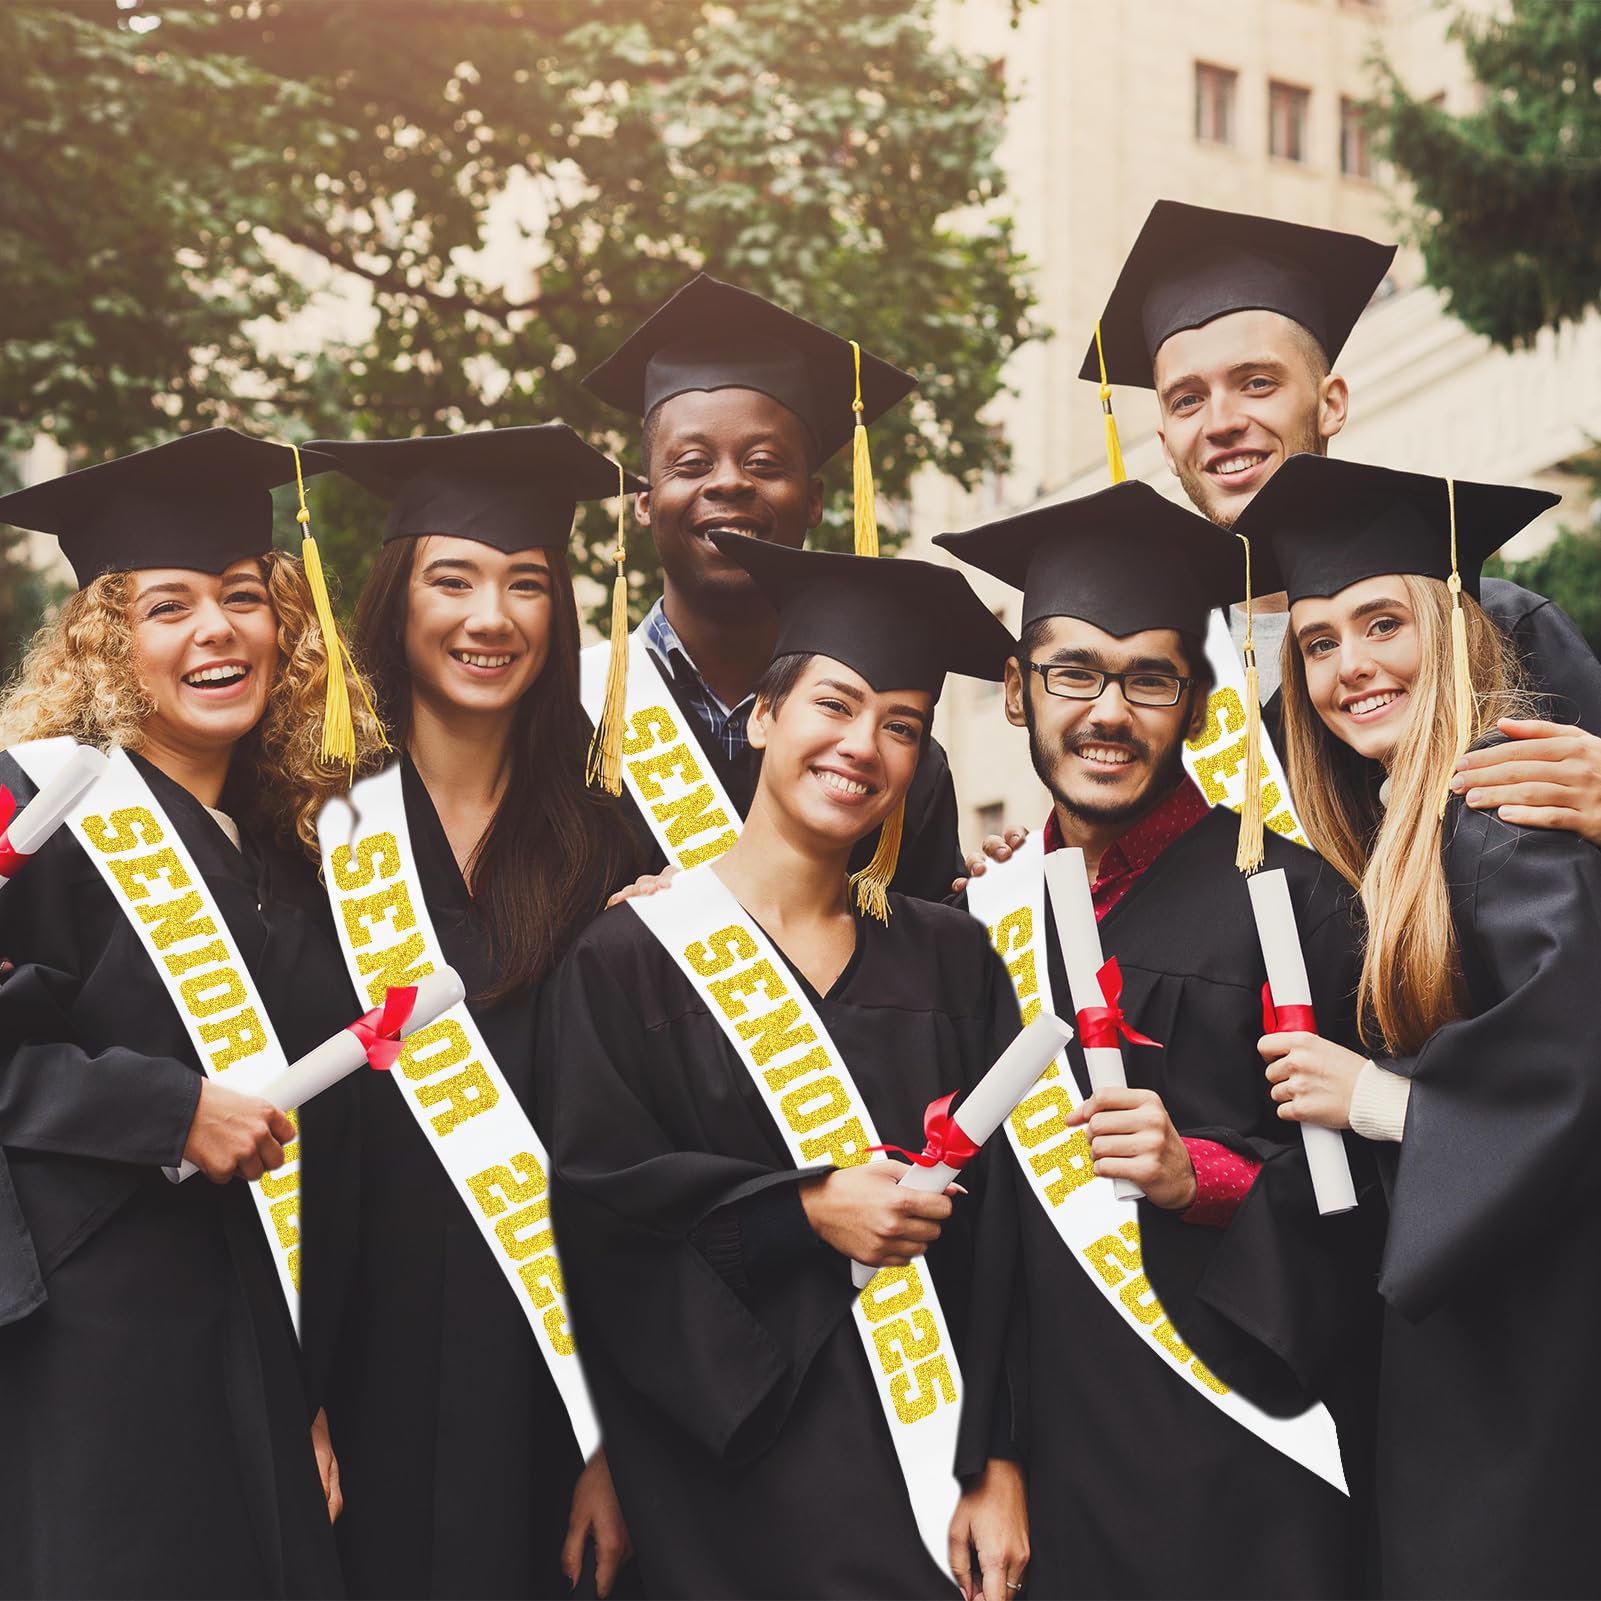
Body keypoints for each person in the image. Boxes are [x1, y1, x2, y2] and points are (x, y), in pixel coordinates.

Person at [537, 537, 1028, 1600]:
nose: (864, 745)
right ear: (762, 716)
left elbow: (1004, 1234)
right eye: (835, 704)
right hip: (723, 1483)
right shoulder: (627, 960)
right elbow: (597, 1214)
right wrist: (797, 1211)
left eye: (901, 725)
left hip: (929, 1483)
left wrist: (996, 1460)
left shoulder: (950, 955)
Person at [936, 481, 1371, 1598]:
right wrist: (986, 1447)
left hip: (1241, 1461)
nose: (1106, 711)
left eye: (1148, 676)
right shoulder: (974, 926)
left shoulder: (1296, 898)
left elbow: (1379, 1193)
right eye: (1072, 670)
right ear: (1013, 690)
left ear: (1200, 704)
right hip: (1041, 1478)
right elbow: (968, 1232)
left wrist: (1203, 1177)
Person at [0, 428, 386, 1598]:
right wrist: (165, 1107)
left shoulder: (299, 840)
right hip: (94, 1358)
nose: (216, 629)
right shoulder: (37, 803)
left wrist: (302, 1388)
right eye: (167, 607)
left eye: (241, 596)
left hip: (260, 1353)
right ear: (110, 648)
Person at [1231, 453, 1601, 1598]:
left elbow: (1570, 1069)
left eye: (1380, 622)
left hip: (1533, 1346)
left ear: (1449, 625)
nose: (1350, 667)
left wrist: (1374, 1097)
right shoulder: (1401, 822)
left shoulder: (1501, 807)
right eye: (1319, 642)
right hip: (1484, 1332)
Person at [302, 425, 644, 1600]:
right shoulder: (309, 830)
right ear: (396, 598)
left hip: (544, 1378)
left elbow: (642, 1159)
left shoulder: (612, 843)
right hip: (348, 1358)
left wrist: (614, 1440)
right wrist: (282, 1388)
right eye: (452, 578)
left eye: (527, 583)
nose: (489, 615)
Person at [1075, 199, 1601, 847]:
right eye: (1187, 399)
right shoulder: (1161, 685)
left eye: (1257, 383)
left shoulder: (1492, 626)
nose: (1220, 422)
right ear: (1164, 440)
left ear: (1330, 403)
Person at [580, 272, 970, 898]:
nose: (730, 483)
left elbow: (928, 976)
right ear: (644, 503)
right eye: (692, 464)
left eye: (763, 463)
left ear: (814, 500)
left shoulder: (892, 758)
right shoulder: (565, 722)